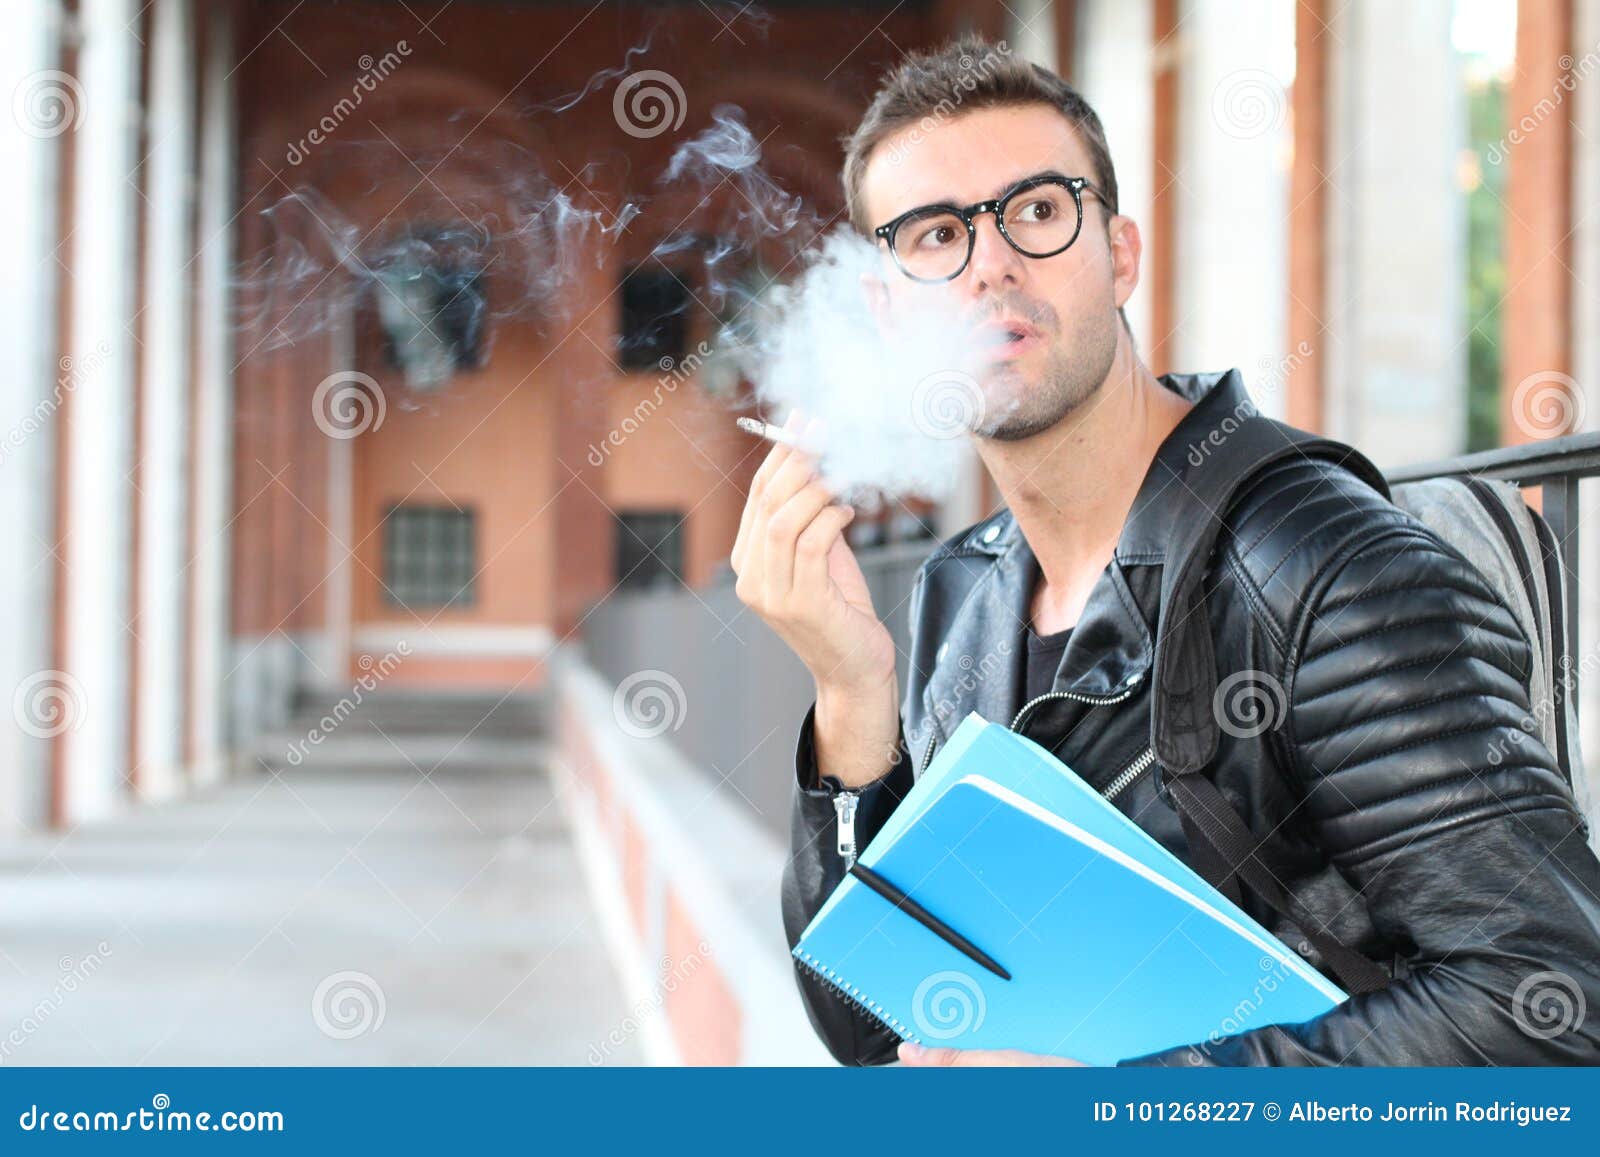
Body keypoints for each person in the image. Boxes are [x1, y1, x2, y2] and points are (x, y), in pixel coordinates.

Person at [729, 35, 1600, 1066]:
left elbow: (1552, 1003)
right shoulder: (959, 592)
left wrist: (1121, 1103)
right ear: (886, 309)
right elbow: (869, 1025)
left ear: (1121, 254)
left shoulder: (1324, 567)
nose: (990, 263)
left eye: (1036, 211)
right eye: (935, 235)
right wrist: (849, 694)